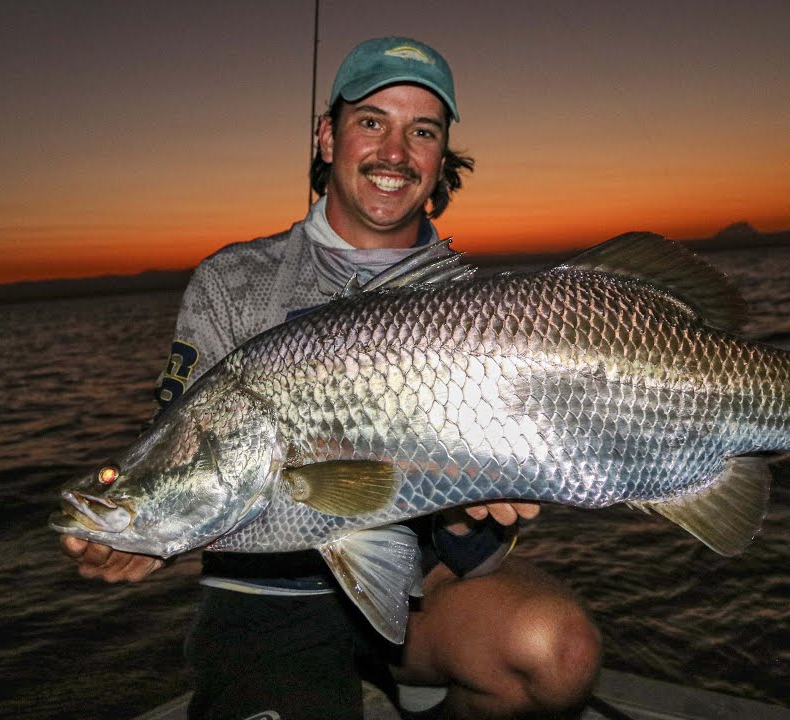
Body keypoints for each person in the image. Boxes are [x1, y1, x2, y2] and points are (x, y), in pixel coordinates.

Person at [60, 36, 602, 719]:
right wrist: (150, 532)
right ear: (327, 136)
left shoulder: (473, 313)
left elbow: (471, 528)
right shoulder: (233, 282)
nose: (395, 152)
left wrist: (472, 517)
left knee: (559, 655)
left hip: (422, 586)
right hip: (267, 598)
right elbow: (185, 444)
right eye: (371, 121)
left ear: (440, 159)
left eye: (422, 131)